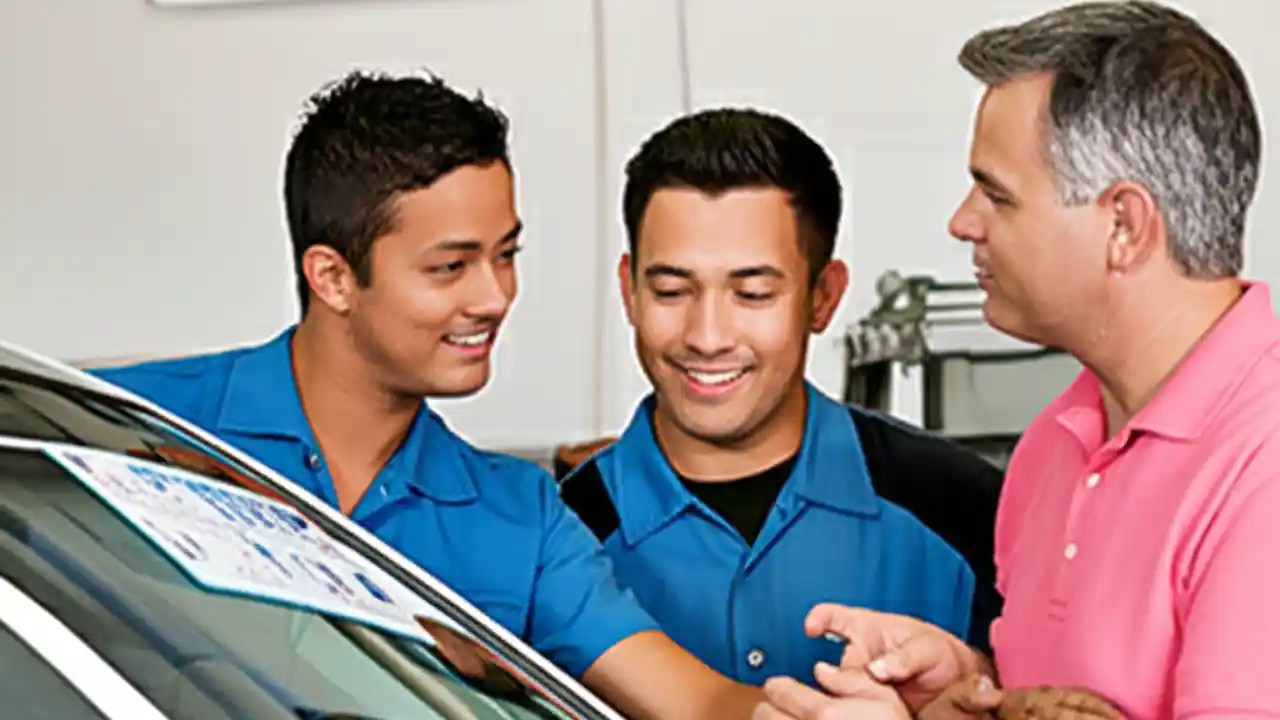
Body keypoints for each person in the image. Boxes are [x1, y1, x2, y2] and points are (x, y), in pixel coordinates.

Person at [92, 69, 765, 719]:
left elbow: (697, 702)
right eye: (451, 267)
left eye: (506, 255)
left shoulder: (521, 518)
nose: (496, 295)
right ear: (332, 277)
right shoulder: (114, 424)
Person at [751, 1, 1280, 718]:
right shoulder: (1055, 445)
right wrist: (967, 685)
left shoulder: (1263, 466)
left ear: (1123, 224)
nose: (963, 221)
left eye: (998, 194)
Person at [558, 106, 1005, 689]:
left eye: (752, 293)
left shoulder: (964, 509)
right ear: (629, 291)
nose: (707, 336)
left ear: (823, 297)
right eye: (671, 290)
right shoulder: (563, 538)